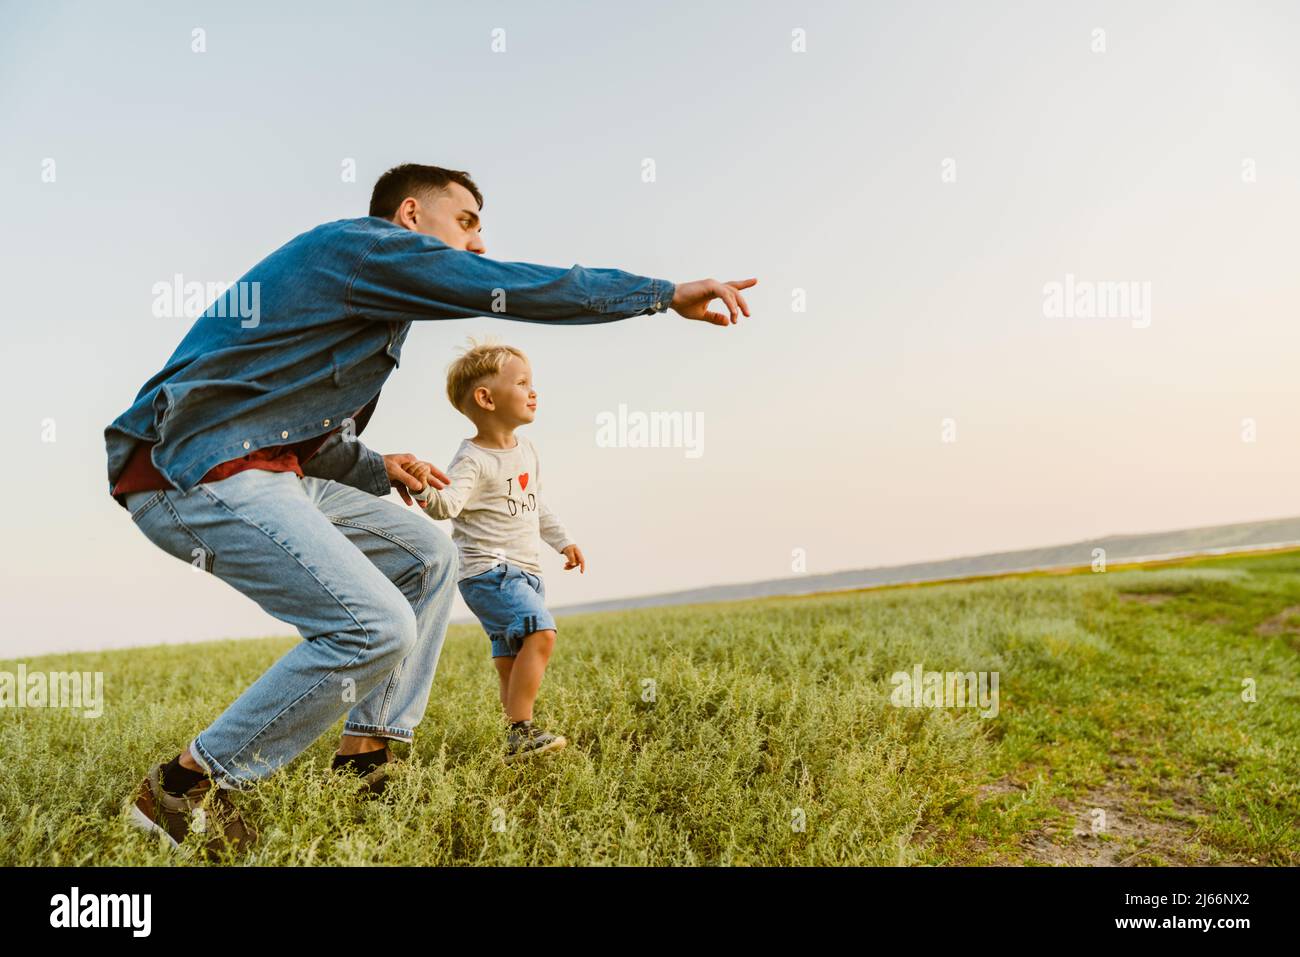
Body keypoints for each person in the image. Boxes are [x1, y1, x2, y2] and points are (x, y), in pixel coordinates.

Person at [107, 162, 756, 857]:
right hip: (191, 470)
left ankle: (369, 756)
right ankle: (186, 786)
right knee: (372, 627)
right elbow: (518, 287)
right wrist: (661, 294)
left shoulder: (369, 299)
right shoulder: (360, 247)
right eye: (468, 222)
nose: (477, 245)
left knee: (430, 555)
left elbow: (305, 438)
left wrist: (378, 466)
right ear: (411, 216)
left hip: (269, 468)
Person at [409, 340, 580, 764]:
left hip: (528, 572)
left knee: (511, 657)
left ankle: (512, 737)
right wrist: (421, 486)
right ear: (486, 399)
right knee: (541, 634)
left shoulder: (527, 452)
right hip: (490, 572)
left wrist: (564, 541)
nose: (533, 391)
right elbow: (447, 506)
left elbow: (535, 504)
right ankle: (522, 731)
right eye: (522, 383)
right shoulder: (472, 459)